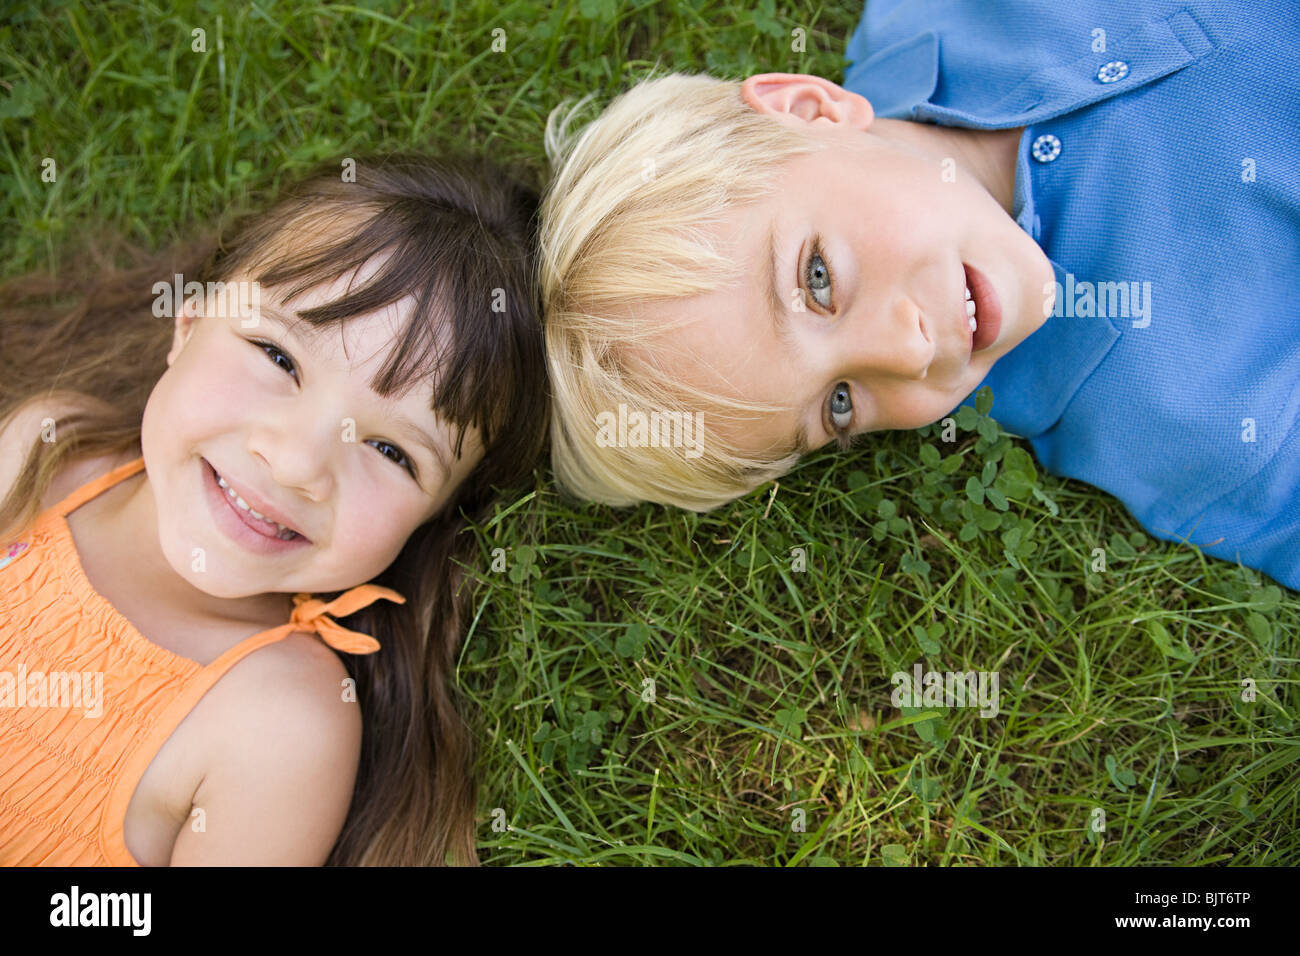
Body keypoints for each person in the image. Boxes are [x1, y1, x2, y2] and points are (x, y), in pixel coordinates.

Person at [538, 0, 1300, 591]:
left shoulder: (930, 17)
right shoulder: (1183, 427)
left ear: (811, 110)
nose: (904, 353)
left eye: (817, 281)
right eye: (839, 405)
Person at [0, 153, 548, 865]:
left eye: (391, 453)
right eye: (278, 357)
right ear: (186, 326)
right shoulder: (47, 451)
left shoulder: (280, 721)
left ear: (432, 519)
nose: (294, 464)